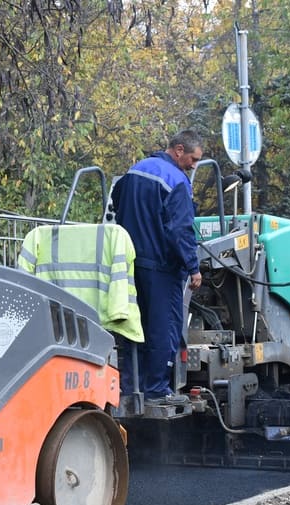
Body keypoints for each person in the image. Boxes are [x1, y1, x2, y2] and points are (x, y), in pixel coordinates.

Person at [109, 129, 204, 404]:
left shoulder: (136, 170)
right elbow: (180, 229)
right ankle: (156, 389)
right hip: (161, 266)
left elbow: (117, 201)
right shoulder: (177, 180)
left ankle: (130, 387)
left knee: (133, 326)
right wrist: (192, 267)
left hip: (129, 263)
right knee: (164, 327)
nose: (194, 165)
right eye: (193, 159)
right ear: (178, 150)